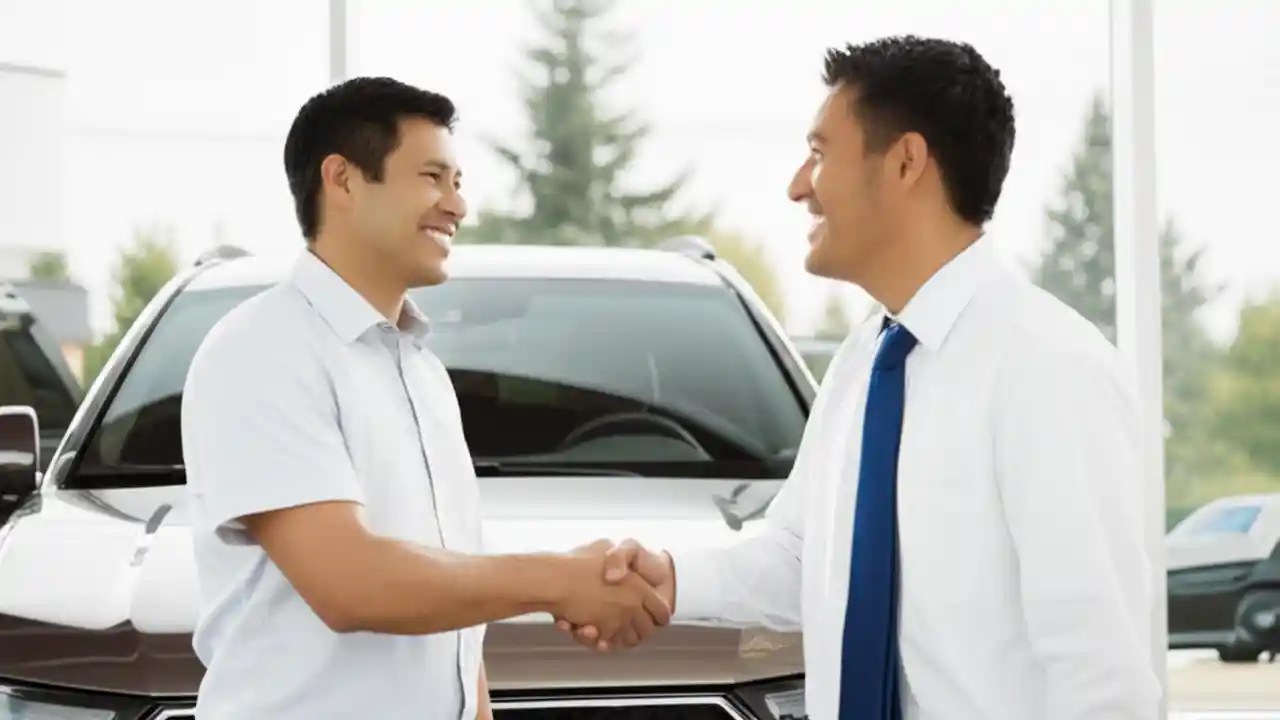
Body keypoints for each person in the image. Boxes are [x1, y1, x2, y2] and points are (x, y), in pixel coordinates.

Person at [559, 36, 1161, 719]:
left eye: (819, 154)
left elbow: (1104, 680)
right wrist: (667, 578)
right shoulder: (864, 363)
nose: (796, 186)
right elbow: (802, 560)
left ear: (906, 162)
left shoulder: (1050, 369)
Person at [181, 77, 670, 720]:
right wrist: (560, 580)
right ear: (345, 180)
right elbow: (350, 583)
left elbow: (455, 627)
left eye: (458, 181)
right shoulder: (261, 348)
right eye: (433, 176)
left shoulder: (422, 372)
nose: (457, 205)